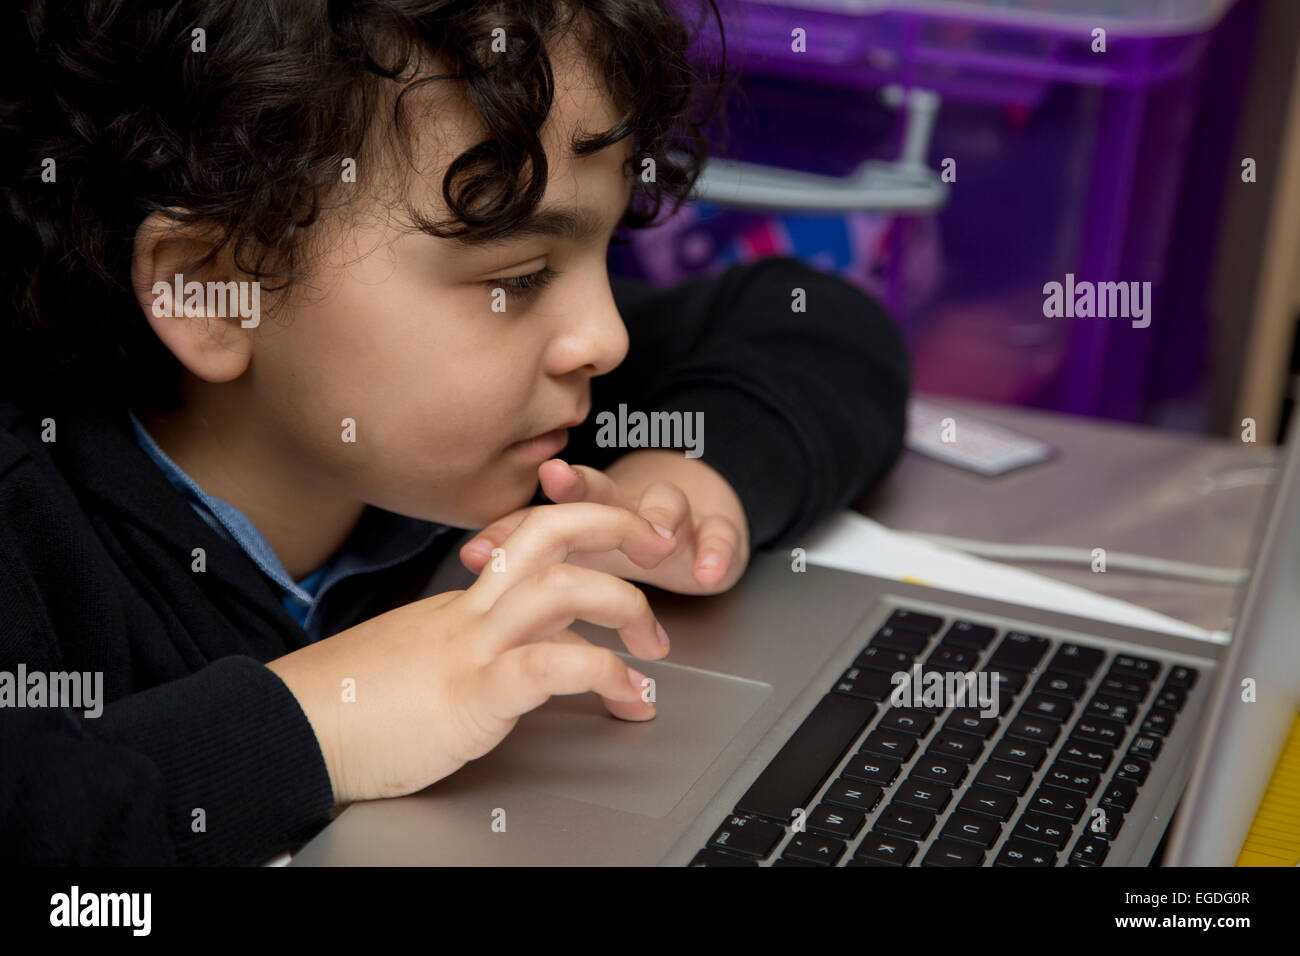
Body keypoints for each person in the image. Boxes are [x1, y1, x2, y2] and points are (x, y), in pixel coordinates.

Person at [0, 0, 909, 864]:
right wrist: (323, 721)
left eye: (605, 248)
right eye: (517, 277)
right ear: (211, 293)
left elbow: (817, 323)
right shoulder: (32, 537)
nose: (605, 338)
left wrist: (685, 476)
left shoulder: (490, 416)